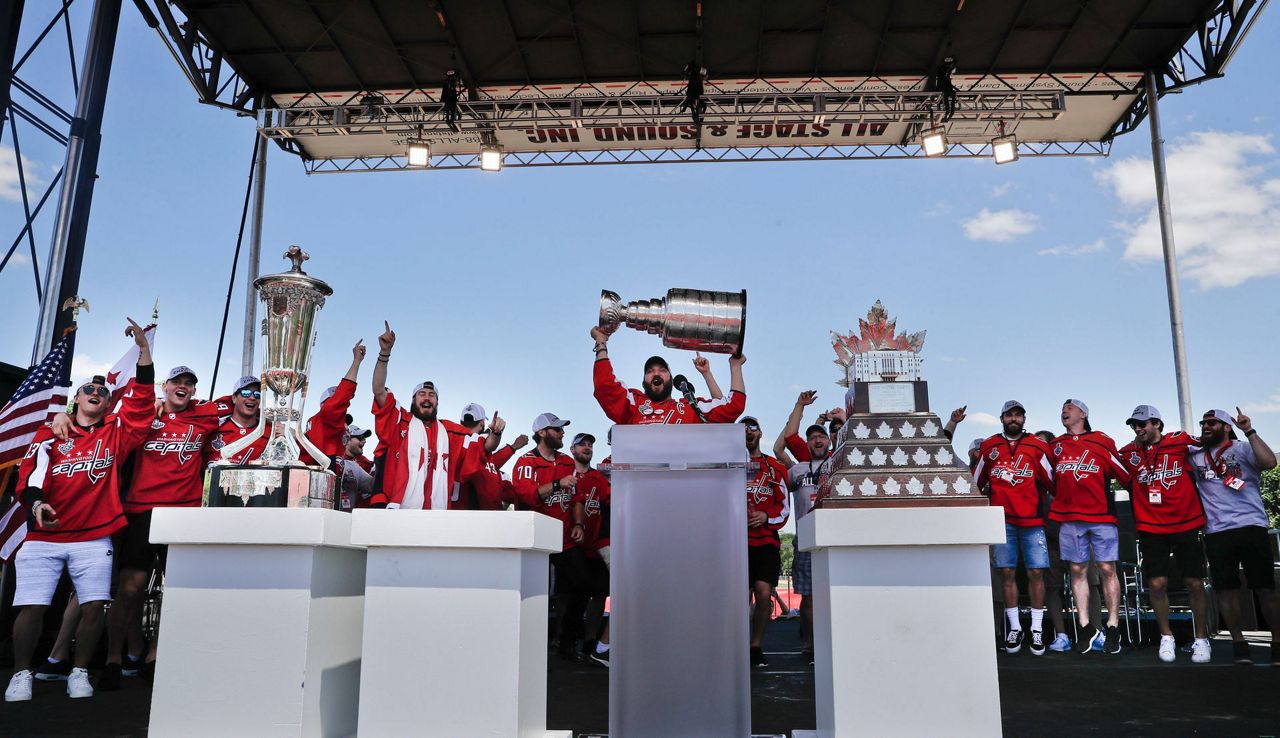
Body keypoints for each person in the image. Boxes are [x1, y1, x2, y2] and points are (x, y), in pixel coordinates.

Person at [5, 319, 156, 702]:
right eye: (88, 389)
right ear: (77, 399)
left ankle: (78, 670)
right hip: (45, 535)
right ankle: (21, 674)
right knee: (31, 607)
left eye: (102, 392)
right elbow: (30, 478)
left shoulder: (115, 435)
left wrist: (143, 353)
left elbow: (140, 405)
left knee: (93, 607)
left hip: (94, 535)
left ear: (107, 404)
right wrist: (37, 503)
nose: (95, 392)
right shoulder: (49, 433)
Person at [1118, 405, 1211, 663]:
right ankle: (1166, 636)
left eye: (1142, 424)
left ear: (1157, 423)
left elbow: (1208, 442)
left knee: (1194, 583)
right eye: (1134, 425)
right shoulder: (1127, 452)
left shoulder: (1179, 440)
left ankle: (1201, 639)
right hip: (1151, 525)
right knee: (1157, 584)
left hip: (1186, 522)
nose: (1138, 429)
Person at [1189, 407, 1279, 665]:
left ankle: (1277, 642)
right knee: (1226, 590)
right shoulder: (1196, 455)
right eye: (1203, 423)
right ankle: (1239, 643)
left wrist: (1249, 430)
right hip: (1217, 531)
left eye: (1212, 423)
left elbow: (1270, 463)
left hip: (1251, 526)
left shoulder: (1242, 448)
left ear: (1227, 426)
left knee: (1264, 587)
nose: (1206, 426)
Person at [1048, 399, 1131, 655]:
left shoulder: (1101, 441)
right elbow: (1050, 479)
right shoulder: (1056, 446)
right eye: (1062, 407)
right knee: (1076, 570)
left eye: (1070, 407)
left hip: (1101, 516)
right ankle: (1085, 626)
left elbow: (1124, 474)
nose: (1064, 410)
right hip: (1069, 517)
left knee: (1107, 568)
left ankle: (1114, 625)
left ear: (1083, 413)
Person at [972, 401, 1054, 656]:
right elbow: (976, 482)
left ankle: (1037, 629)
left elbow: (1052, 482)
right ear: (1002, 418)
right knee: (1006, 573)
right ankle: (1015, 627)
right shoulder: (989, 446)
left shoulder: (1037, 446)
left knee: (1036, 574)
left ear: (1024, 419)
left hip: (1032, 521)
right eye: (1009, 415)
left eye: (1018, 415)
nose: (1014, 419)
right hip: (1002, 522)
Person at [370, 322, 470, 509]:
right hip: (396, 509)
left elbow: (482, 448)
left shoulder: (449, 431)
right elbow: (379, 391)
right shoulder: (400, 421)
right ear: (413, 400)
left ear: (437, 402)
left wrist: (496, 434)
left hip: (435, 513)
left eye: (432, 395)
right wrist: (384, 354)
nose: (427, 398)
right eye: (422, 394)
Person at [512, 413, 587, 659]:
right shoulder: (526, 462)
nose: (562, 433)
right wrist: (556, 484)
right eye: (557, 430)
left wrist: (578, 523)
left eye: (562, 429)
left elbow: (577, 498)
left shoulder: (566, 461)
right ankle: (533, 647)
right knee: (536, 595)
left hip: (565, 537)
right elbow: (526, 497)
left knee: (579, 587)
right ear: (542, 433)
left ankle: (566, 642)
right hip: (537, 541)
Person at [773, 390, 833, 664]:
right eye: (812, 437)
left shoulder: (838, 462)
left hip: (834, 537)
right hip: (807, 539)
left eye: (821, 435)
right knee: (808, 598)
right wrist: (799, 405)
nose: (817, 439)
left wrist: (841, 417)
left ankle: (833, 641)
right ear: (807, 443)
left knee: (834, 595)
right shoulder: (797, 469)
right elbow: (785, 441)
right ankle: (810, 646)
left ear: (830, 440)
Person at [589, 326, 746, 425]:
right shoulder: (634, 404)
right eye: (650, 371)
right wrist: (601, 343)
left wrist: (735, 366)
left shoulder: (690, 407)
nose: (656, 373)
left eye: (662, 370)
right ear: (643, 382)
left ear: (671, 380)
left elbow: (731, 408)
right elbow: (605, 386)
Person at [742, 416, 790, 668]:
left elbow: (784, 507)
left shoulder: (774, 468)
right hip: (735, 544)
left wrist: (766, 516)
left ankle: (755, 646)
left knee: (763, 594)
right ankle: (736, 645)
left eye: (753, 428)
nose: (748, 432)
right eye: (743, 429)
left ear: (760, 434)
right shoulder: (729, 466)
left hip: (765, 542)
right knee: (740, 598)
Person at [569, 432, 611, 665]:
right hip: (569, 545)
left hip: (595, 545)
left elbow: (612, 502)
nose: (587, 448)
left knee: (598, 595)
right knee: (570, 596)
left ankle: (589, 640)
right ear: (572, 449)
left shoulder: (599, 476)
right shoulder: (564, 471)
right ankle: (563, 641)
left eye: (590, 445)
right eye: (582, 444)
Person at [456, 403, 528, 510]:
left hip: (452, 519)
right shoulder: (477, 449)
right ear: (482, 423)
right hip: (479, 521)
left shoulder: (450, 444)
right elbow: (487, 448)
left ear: (461, 423)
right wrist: (498, 435)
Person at [207, 375, 266, 464]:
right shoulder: (213, 427)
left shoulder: (269, 431)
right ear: (234, 398)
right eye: (246, 393)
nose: (252, 398)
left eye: (257, 394)